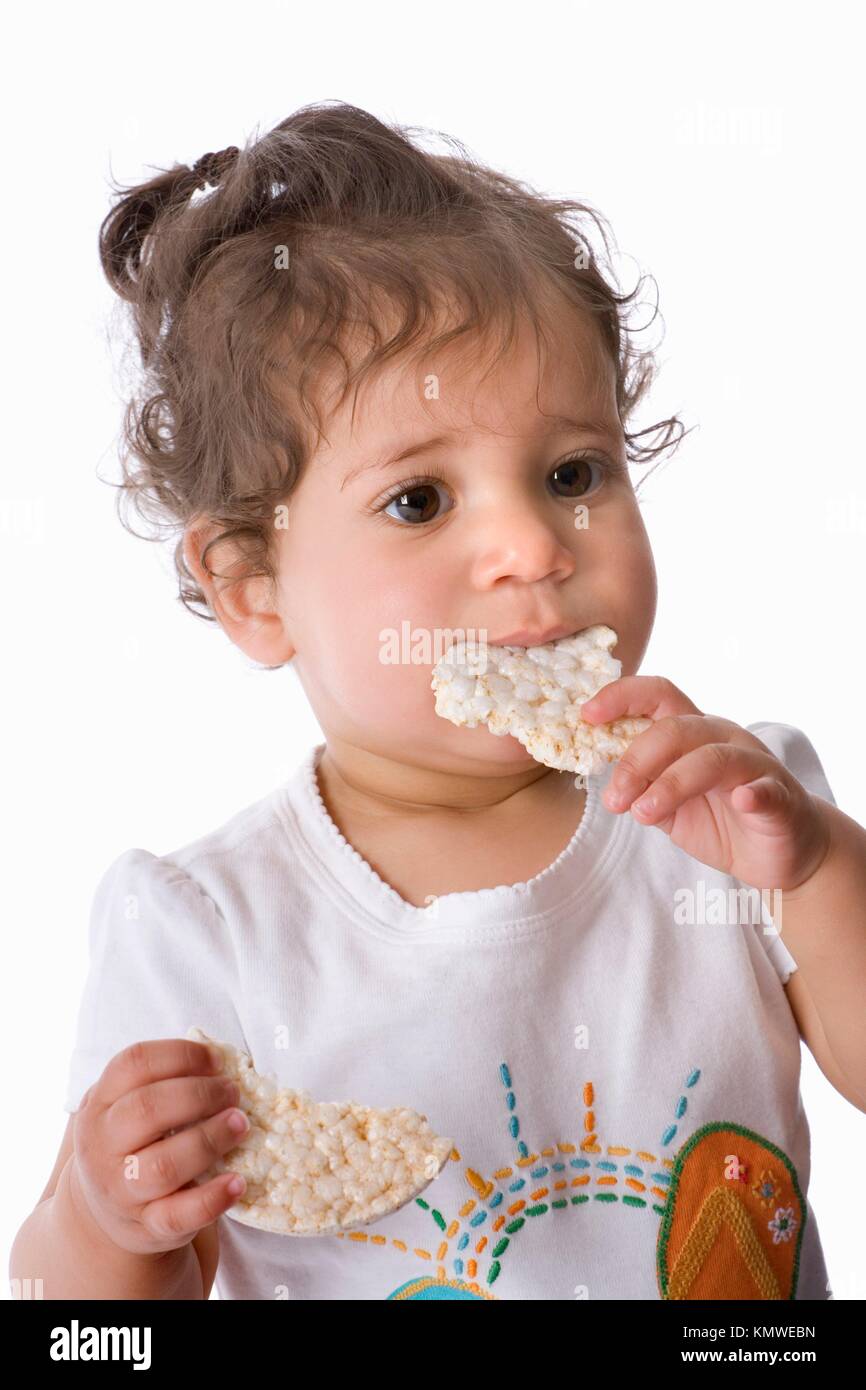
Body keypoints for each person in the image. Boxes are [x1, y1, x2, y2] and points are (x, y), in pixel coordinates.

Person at [12, 100, 865, 1301]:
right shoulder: (210, 931)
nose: (530, 543)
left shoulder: (731, 825)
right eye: (419, 500)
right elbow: (91, 1327)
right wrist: (104, 1219)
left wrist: (818, 865)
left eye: (573, 473)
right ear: (254, 589)